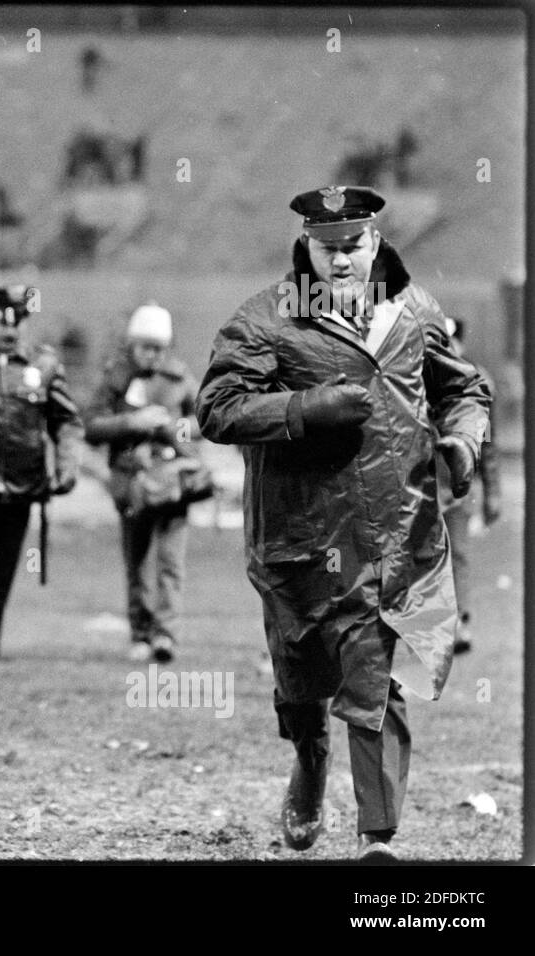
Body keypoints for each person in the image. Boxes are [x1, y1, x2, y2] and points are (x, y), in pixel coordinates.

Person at [196, 185, 490, 861]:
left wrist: (463, 442)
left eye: (352, 247)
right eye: (326, 250)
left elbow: (463, 388)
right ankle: (308, 756)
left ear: (376, 244)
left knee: (376, 682)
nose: (340, 262)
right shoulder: (269, 319)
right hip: (298, 543)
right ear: (305, 248)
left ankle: (375, 838)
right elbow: (216, 407)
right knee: (303, 686)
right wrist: (305, 408)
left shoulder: (413, 311)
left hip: (392, 536)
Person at [0, 285, 83, 712]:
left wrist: (66, 463)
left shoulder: (41, 363)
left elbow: (66, 420)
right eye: (2, 320)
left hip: (20, 493)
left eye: (19, 320)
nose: (12, 329)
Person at [84, 303, 202, 664]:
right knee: (137, 562)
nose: (153, 354)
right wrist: (133, 423)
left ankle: (166, 635)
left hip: (173, 482)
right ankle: (140, 632)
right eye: (146, 347)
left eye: (159, 348)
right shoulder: (115, 378)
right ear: (132, 345)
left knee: (170, 563)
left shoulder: (181, 378)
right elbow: (91, 426)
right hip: (132, 483)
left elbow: (206, 422)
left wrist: (170, 428)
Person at [436, 317, 502, 654]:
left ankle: (460, 622)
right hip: (424, 484)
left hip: (458, 485)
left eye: (452, 342)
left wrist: (493, 494)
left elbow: (488, 445)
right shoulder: (421, 376)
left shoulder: (478, 383)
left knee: (457, 553)